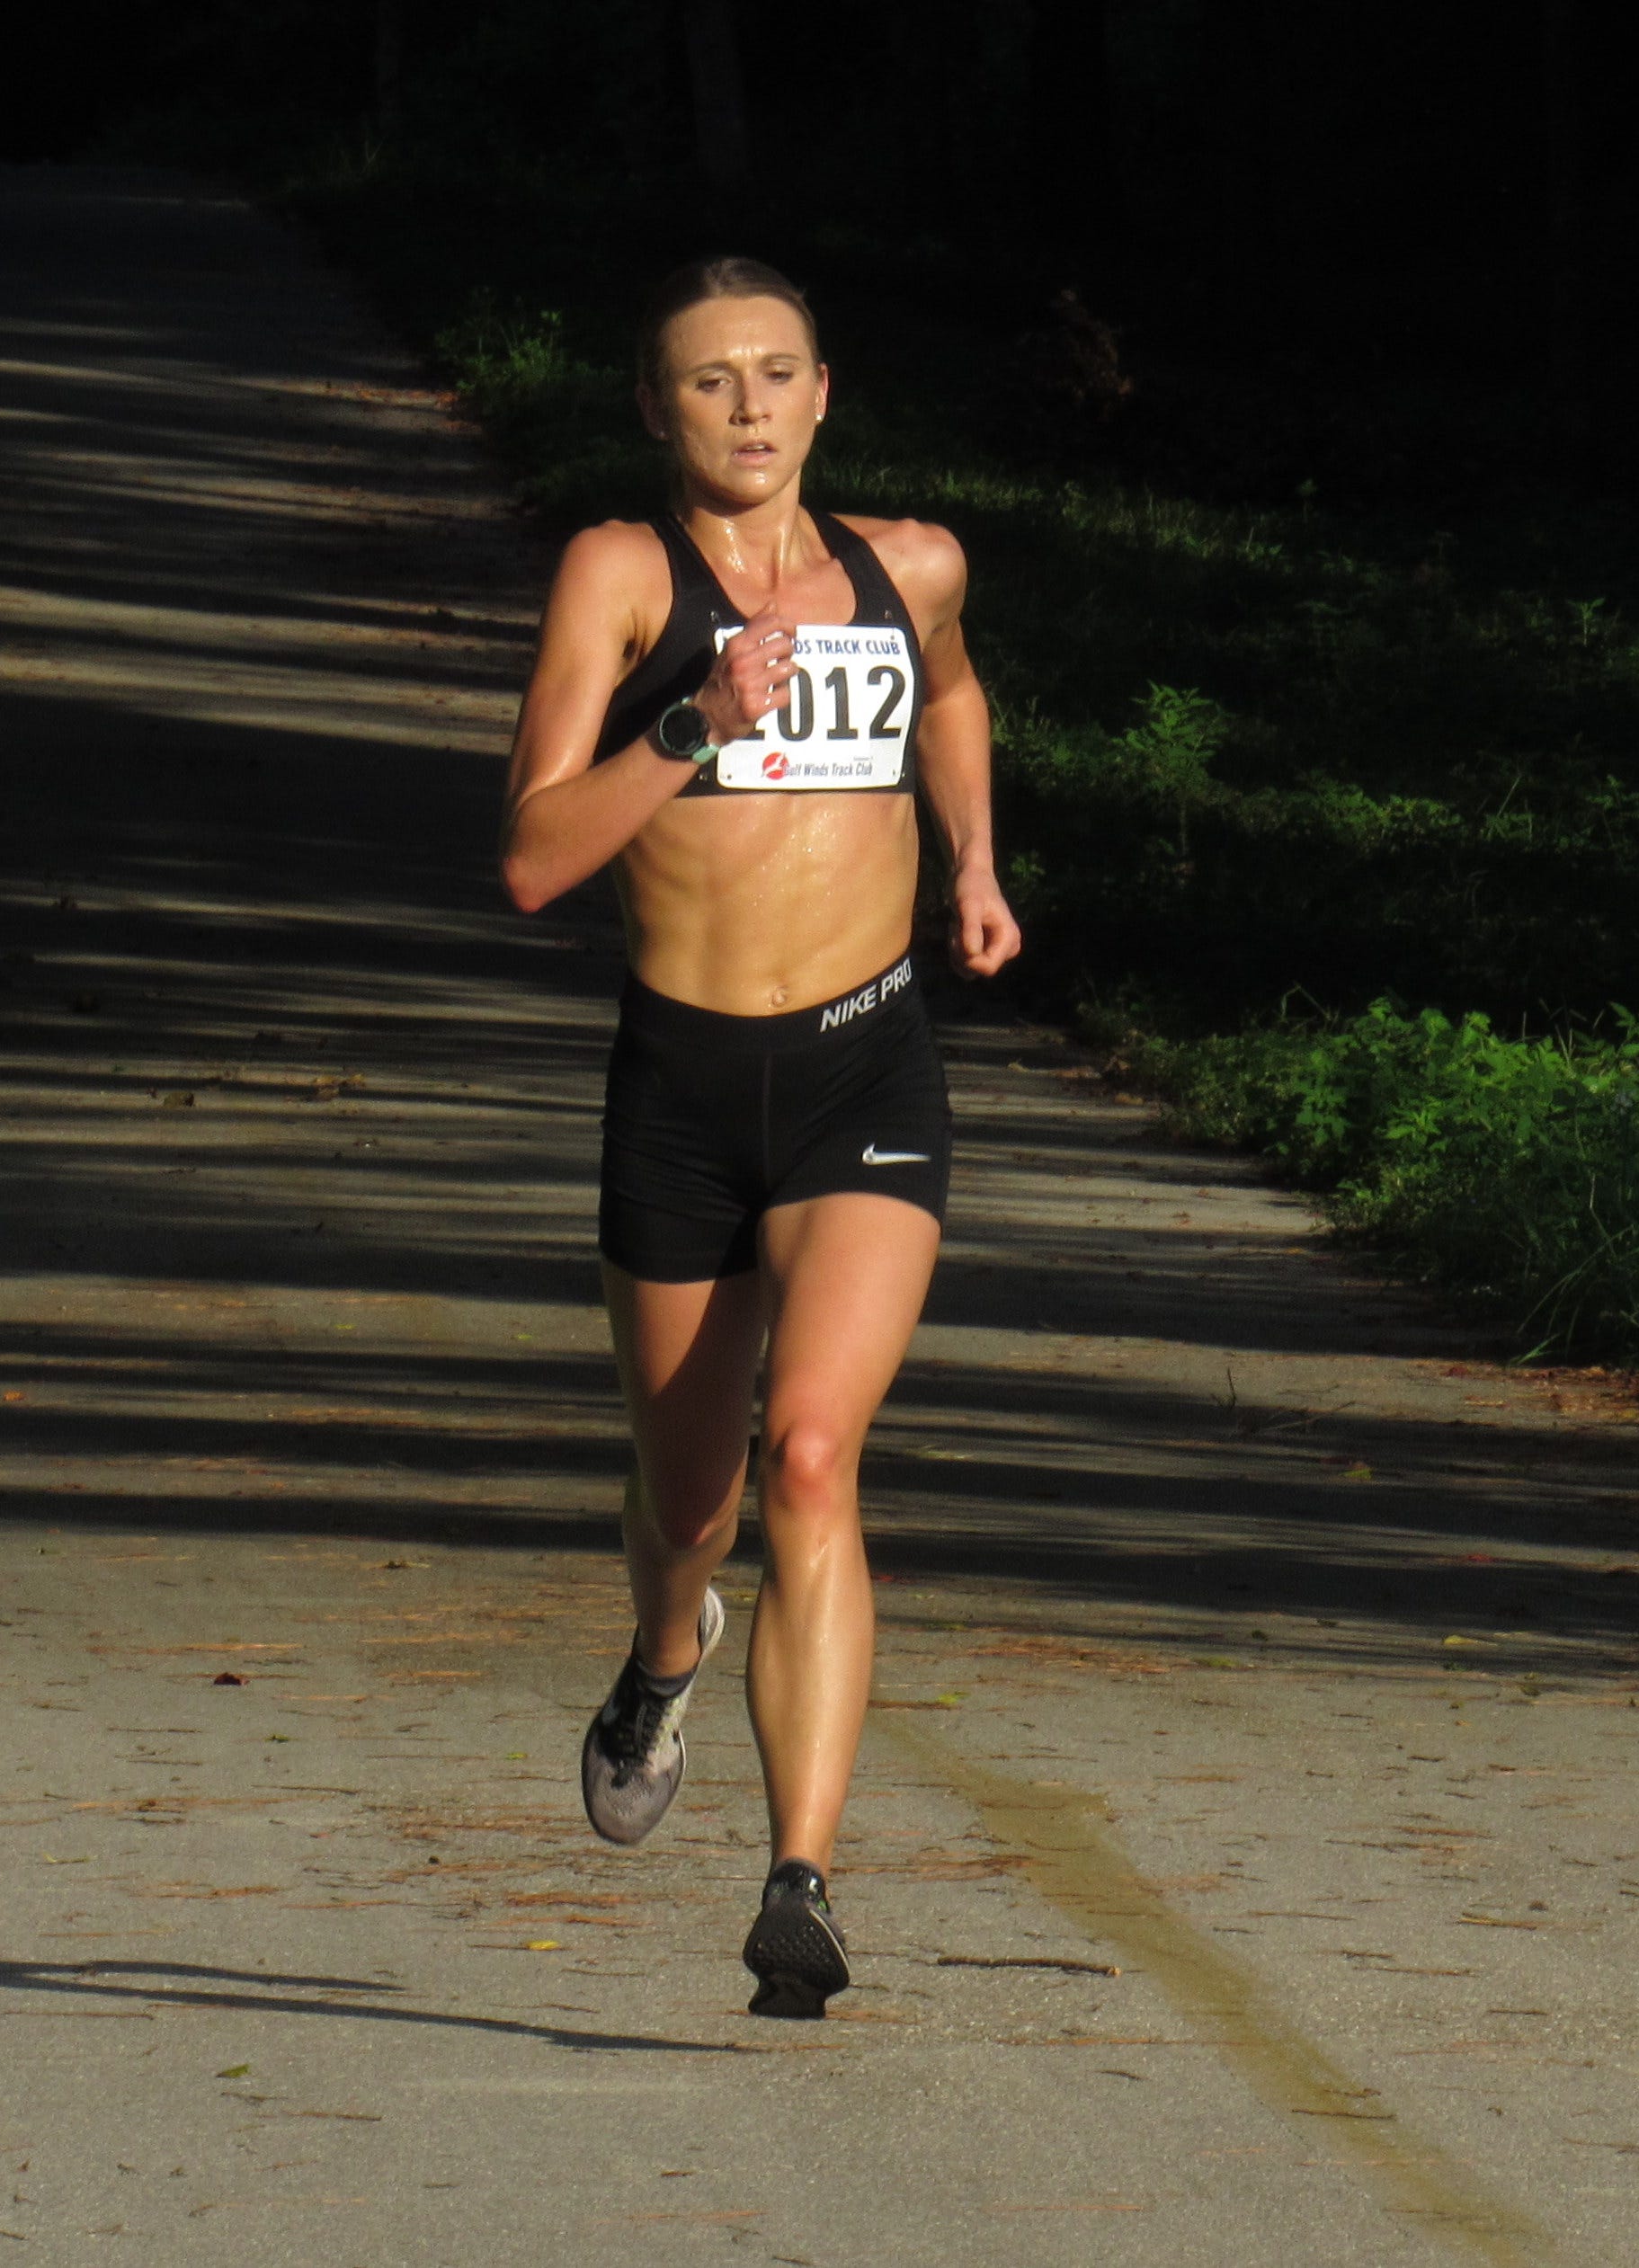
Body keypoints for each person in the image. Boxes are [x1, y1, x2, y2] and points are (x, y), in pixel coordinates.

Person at [500, 258, 1022, 2018]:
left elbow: (947, 690)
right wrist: (693, 721)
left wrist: (969, 859)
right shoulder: (618, 575)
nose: (743, 406)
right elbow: (531, 857)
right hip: (679, 1092)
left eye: (773, 374)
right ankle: (662, 1656)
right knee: (689, 1499)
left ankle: (798, 1878)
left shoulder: (910, 564)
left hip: (863, 1072)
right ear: (654, 408)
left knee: (810, 1457)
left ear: (821, 394)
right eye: (704, 381)